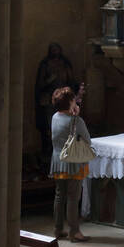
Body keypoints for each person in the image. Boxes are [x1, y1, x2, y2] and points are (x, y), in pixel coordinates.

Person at [50, 86, 91, 242]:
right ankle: (74, 232)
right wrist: (76, 117)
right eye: (73, 100)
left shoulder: (54, 117)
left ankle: (58, 229)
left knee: (59, 195)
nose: (75, 102)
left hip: (57, 161)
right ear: (69, 103)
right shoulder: (76, 121)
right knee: (73, 197)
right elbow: (87, 140)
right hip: (73, 162)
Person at [34, 43, 75, 171]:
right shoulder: (45, 65)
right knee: (49, 127)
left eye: (57, 50)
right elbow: (40, 84)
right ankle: (48, 154)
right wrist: (50, 80)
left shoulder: (65, 63)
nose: (56, 52)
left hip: (64, 100)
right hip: (49, 100)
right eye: (53, 50)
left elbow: (71, 80)